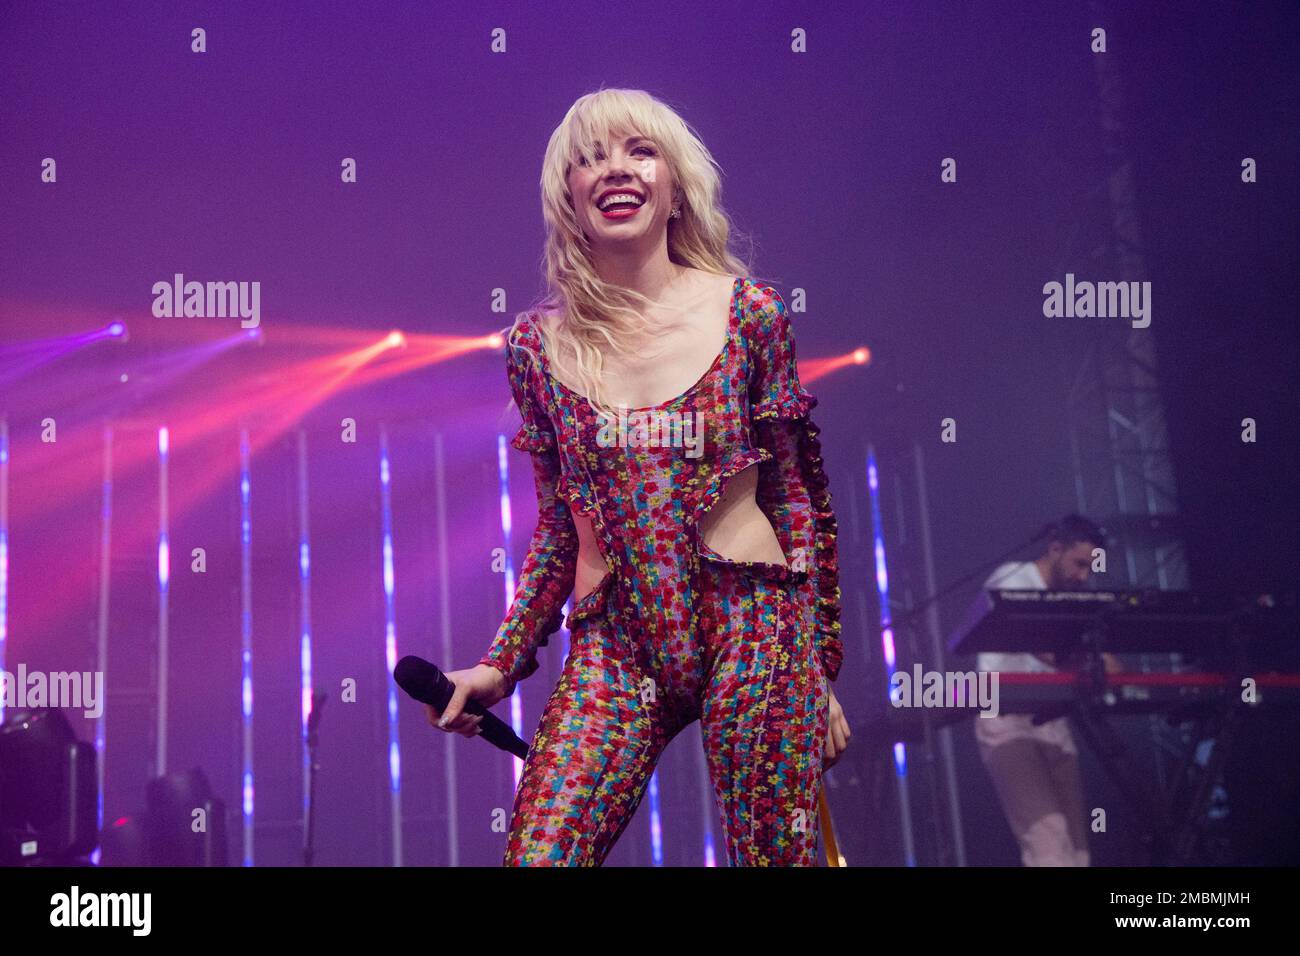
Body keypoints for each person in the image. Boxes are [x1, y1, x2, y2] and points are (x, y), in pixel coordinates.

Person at [425, 88, 850, 866]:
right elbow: (561, 526)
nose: (613, 170)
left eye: (638, 151)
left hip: (753, 626)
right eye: (589, 159)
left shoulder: (749, 314)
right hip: (618, 648)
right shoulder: (535, 347)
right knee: (539, 857)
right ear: (568, 199)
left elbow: (795, 498)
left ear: (677, 184)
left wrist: (812, 669)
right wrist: (500, 664)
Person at [975, 514, 1114, 866]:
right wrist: (1085, 657)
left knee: (1078, 851)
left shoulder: (1073, 597)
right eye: (1079, 564)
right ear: (1055, 548)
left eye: (1090, 569)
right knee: (1048, 842)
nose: (1083, 576)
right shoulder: (1011, 579)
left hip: (1054, 724)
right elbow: (1046, 646)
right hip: (1007, 723)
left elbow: (1109, 665)